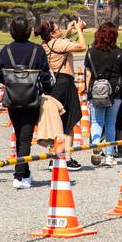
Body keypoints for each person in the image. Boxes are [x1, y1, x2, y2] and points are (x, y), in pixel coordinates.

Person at [0, 15, 53, 189]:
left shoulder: (6, 50)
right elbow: (45, 75)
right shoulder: (37, 50)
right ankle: (19, 175)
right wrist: (46, 89)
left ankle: (25, 172)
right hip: (31, 97)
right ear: (29, 31)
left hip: (13, 97)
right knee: (25, 137)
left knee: (20, 134)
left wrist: (11, 80)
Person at [39, 16, 87, 170]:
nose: (61, 30)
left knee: (55, 121)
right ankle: (66, 158)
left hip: (51, 85)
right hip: (65, 83)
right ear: (52, 33)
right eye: (58, 28)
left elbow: (60, 40)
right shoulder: (59, 43)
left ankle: (54, 156)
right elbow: (82, 46)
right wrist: (79, 30)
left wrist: (70, 31)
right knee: (69, 121)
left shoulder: (44, 44)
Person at [83, 21, 122, 168]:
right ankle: (109, 155)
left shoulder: (90, 52)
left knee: (96, 123)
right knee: (110, 123)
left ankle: (96, 146)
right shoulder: (121, 53)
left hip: (96, 91)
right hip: (114, 92)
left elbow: (87, 74)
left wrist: (89, 92)